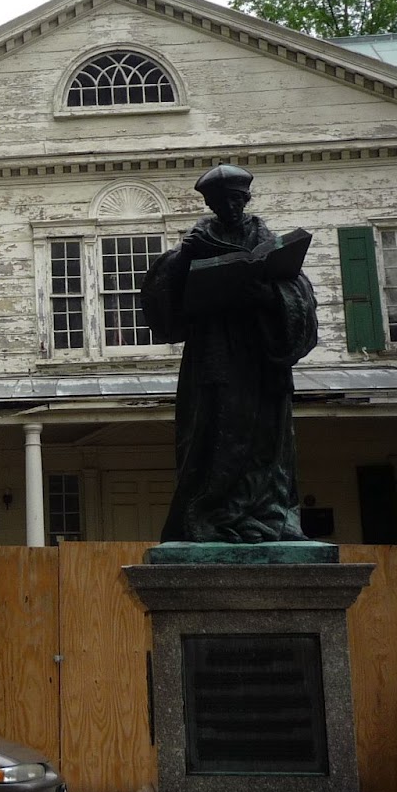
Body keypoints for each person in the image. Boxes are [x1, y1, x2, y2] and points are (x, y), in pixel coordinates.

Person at [140, 165, 318, 543]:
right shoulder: (194, 244)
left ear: (246, 200)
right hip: (215, 360)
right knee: (213, 440)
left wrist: (269, 297)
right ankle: (210, 518)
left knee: (266, 442)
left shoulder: (270, 246)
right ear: (210, 204)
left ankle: (269, 518)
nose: (229, 207)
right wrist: (182, 262)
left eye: (235, 200)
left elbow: (301, 302)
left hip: (261, 363)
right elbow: (162, 305)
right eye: (220, 202)